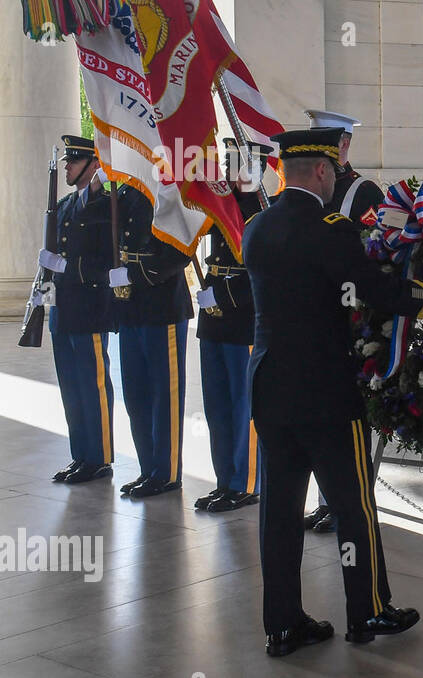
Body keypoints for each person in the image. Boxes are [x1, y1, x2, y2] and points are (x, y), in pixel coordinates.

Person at [244, 127, 423, 656]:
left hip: (269, 387)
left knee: (278, 512)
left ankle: (282, 624)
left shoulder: (257, 227)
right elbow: (377, 292)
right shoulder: (330, 228)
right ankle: (367, 610)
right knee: (353, 507)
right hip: (325, 391)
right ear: (323, 171)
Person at [301, 108, 384, 532]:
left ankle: (351, 501)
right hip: (314, 319)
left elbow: (370, 255)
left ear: (345, 146)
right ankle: (327, 499)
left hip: (349, 320)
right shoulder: (306, 192)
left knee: (349, 417)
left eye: (327, 142)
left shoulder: (362, 191)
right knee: (319, 414)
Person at [194, 140, 269, 514]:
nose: (228, 172)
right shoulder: (224, 208)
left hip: (243, 320)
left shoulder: (261, 213)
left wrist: (222, 294)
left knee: (244, 407)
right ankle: (225, 480)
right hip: (214, 318)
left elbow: (262, 274)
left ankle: (246, 482)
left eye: (236, 164)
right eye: (228, 163)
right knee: (217, 406)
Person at [38, 136, 116, 484]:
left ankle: (99, 458)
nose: (67, 167)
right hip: (63, 311)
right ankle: (80, 454)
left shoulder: (106, 207)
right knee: (71, 386)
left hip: (90, 309)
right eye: (68, 161)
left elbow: (107, 263)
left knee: (93, 385)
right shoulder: (66, 205)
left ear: (94, 165)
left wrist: (66, 267)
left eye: (74, 161)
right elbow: (54, 257)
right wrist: (44, 297)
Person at [110, 177, 195, 498]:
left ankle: (167, 472)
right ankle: (148, 468)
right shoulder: (126, 191)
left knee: (165, 395)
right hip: (130, 307)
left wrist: (135, 274)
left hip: (162, 306)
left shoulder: (167, 192)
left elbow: (181, 250)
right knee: (136, 394)